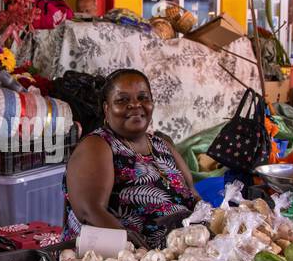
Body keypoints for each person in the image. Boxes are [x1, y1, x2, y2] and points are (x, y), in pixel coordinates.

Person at [64, 69, 202, 247]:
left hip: (184, 251)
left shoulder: (163, 145)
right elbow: (90, 212)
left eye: (143, 97)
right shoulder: (97, 146)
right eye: (122, 100)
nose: (135, 105)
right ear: (107, 109)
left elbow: (193, 196)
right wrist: (142, 253)